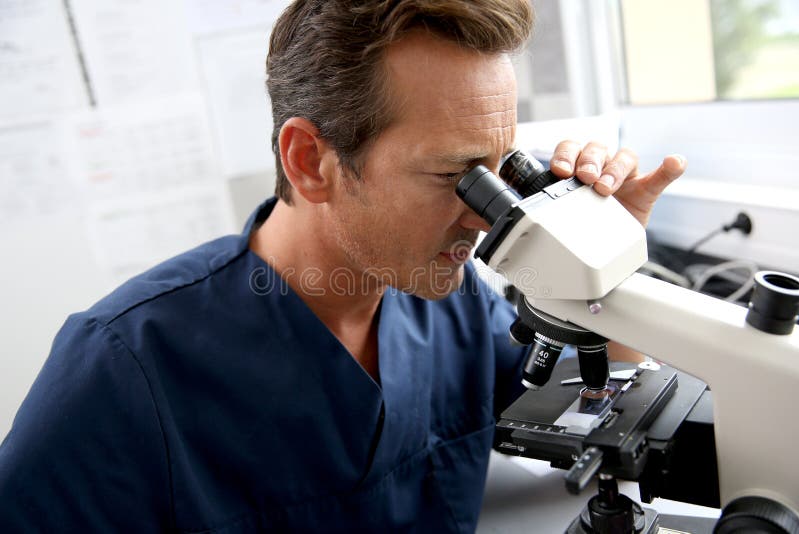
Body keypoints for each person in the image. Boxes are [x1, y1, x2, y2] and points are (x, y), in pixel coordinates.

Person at [0, 0, 685, 531]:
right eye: (454, 174)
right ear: (310, 162)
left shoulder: (454, 300)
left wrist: (606, 269)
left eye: (499, 171)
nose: (486, 216)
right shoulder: (121, 373)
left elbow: (600, 403)